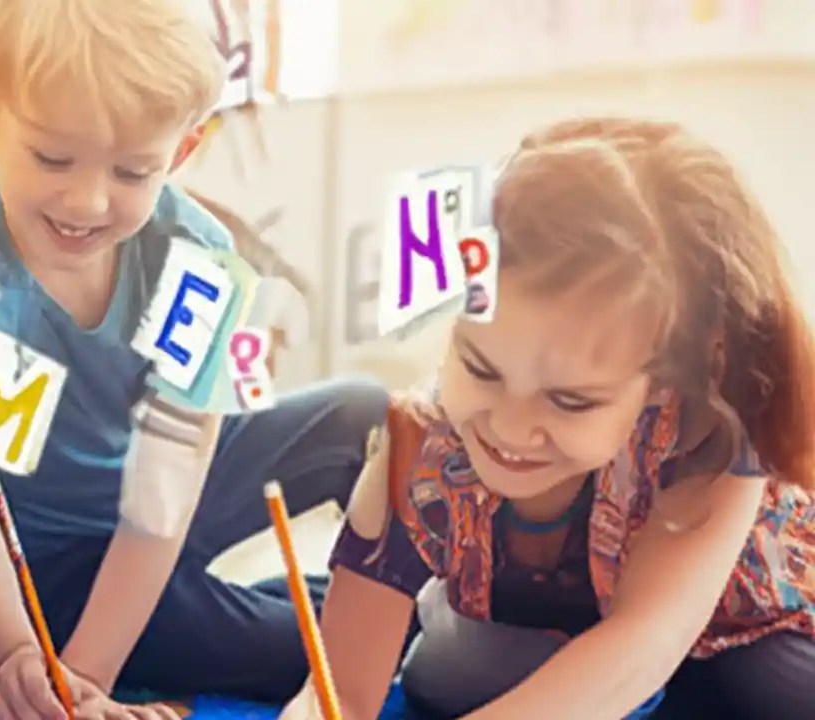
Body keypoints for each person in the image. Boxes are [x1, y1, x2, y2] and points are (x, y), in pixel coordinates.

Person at [0, 0, 386, 716]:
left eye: (135, 172)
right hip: (50, 556)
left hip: (169, 492)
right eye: (52, 157)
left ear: (181, 152)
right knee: (308, 649)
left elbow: (164, 497)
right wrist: (35, 658)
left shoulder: (198, 260)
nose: (88, 201)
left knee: (368, 414)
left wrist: (92, 673)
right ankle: (358, 618)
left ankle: (421, 595)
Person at [280, 118, 815, 720]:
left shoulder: (714, 428)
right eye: (480, 368)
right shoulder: (415, 448)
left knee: (775, 688)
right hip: (521, 639)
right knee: (454, 677)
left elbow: (641, 646)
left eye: (571, 401)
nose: (510, 428)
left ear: (666, 378)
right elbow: (339, 695)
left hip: (748, 640)